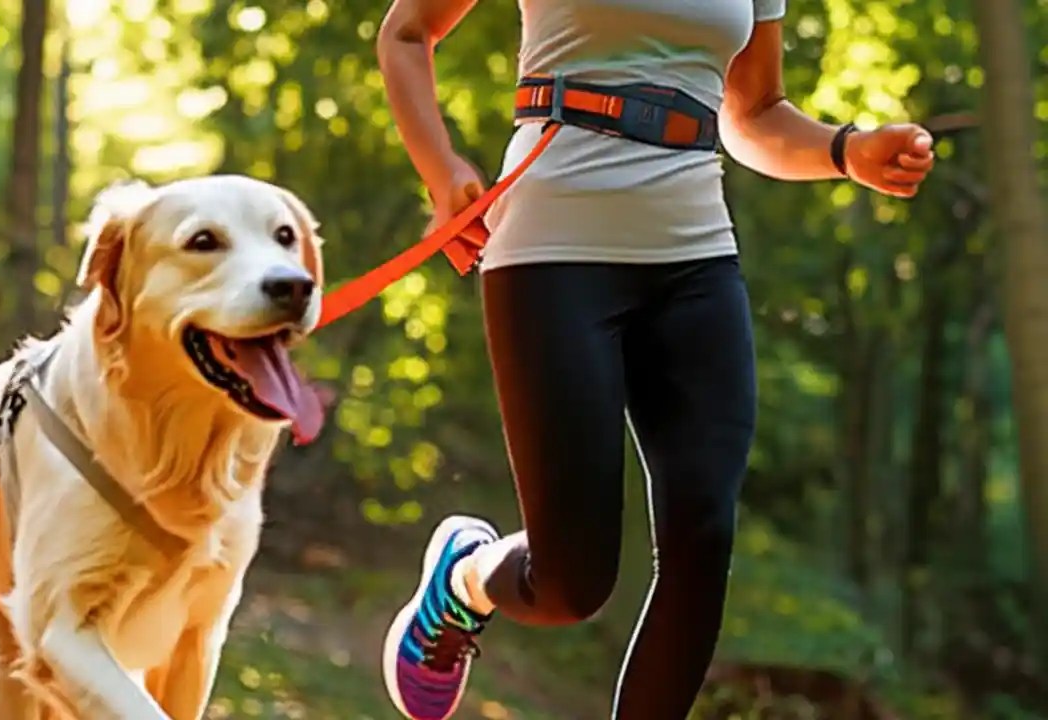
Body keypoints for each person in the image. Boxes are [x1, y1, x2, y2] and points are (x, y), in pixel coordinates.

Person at [374, 1, 936, 718]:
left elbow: (755, 112)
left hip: (695, 256)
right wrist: (441, 169)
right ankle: (465, 579)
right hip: (553, 245)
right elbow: (407, 31)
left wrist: (846, 150)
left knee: (702, 536)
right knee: (572, 583)